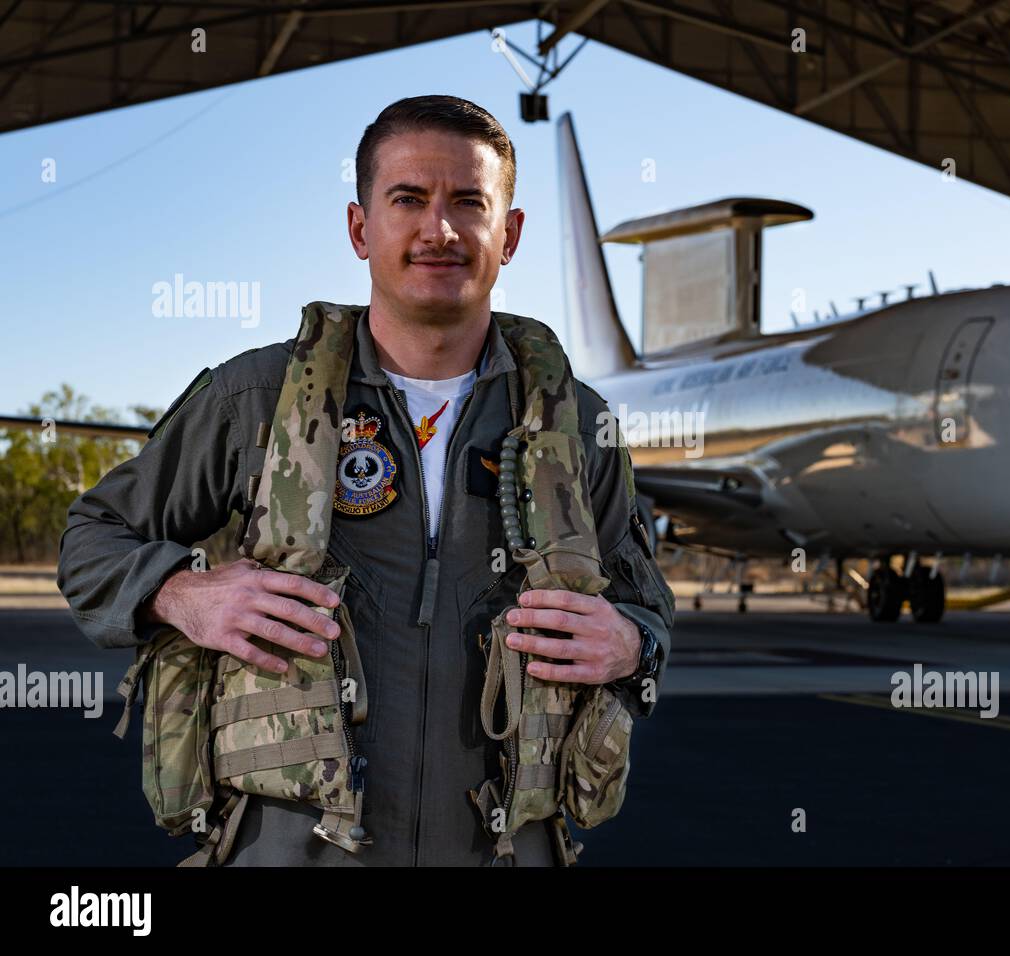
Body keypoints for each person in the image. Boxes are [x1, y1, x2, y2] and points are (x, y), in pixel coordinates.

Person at [56, 94, 674, 866]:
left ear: (508, 235)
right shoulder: (253, 399)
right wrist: (181, 591)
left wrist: (630, 645)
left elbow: (647, 608)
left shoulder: (577, 426)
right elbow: (91, 539)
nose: (438, 230)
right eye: (408, 199)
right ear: (360, 228)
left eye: (468, 203)